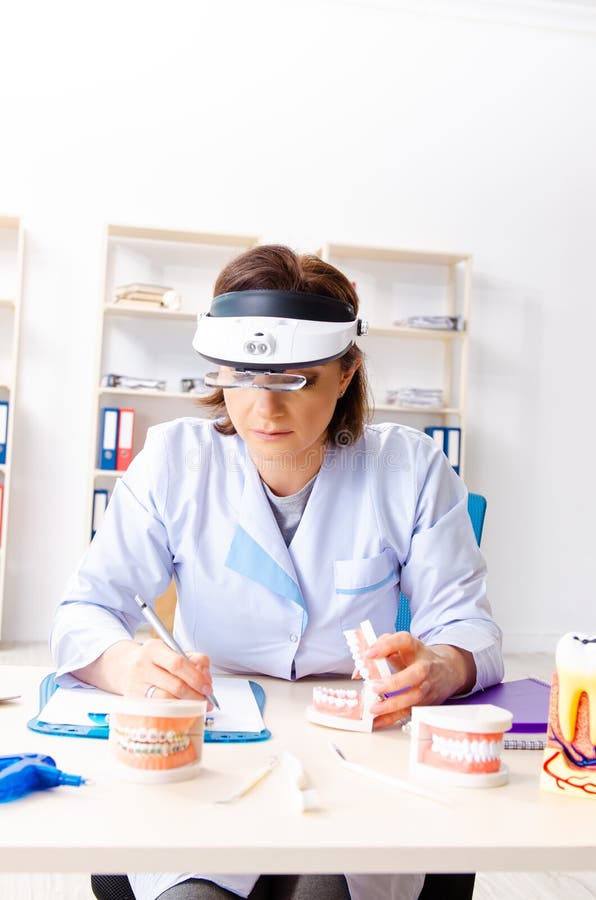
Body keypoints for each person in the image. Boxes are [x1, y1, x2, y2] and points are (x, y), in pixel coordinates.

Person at [51, 245, 504, 900]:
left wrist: (443, 664)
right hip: (216, 746)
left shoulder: (412, 469)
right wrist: (127, 666)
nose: (265, 410)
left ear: (346, 373)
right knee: (193, 891)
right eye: (243, 377)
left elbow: (469, 626)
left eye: (297, 381)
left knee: (329, 886)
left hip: (360, 747)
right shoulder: (175, 461)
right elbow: (83, 612)